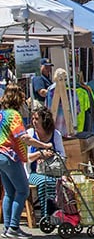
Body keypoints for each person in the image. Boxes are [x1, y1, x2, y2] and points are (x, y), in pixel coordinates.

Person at [1, 85, 53, 238]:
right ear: (18, 99)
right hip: (10, 156)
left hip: (0, 155)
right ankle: (13, 227)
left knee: (9, 193)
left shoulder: (1, 114)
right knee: (23, 190)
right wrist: (44, 145)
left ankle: (7, 228)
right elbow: (23, 137)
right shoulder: (14, 115)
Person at [25, 106, 65, 218]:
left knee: (59, 181)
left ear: (45, 120)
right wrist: (40, 154)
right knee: (45, 182)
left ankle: (55, 213)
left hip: (53, 171)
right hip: (33, 172)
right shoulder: (30, 134)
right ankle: (47, 215)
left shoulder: (55, 134)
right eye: (33, 118)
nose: (34, 121)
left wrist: (51, 154)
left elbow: (62, 155)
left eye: (37, 119)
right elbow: (25, 158)